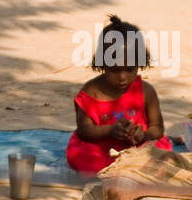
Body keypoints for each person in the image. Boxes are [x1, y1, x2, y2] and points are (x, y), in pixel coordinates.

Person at [67, 15, 173, 174]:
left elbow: (157, 129)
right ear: (103, 63)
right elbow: (84, 131)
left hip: (137, 148)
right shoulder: (90, 93)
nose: (123, 77)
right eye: (115, 70)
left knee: (162, 151)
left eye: (130, 69)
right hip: (102, 148)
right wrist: (109, 131)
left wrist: (143, 135)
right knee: (84, 155)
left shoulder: (146, 91)